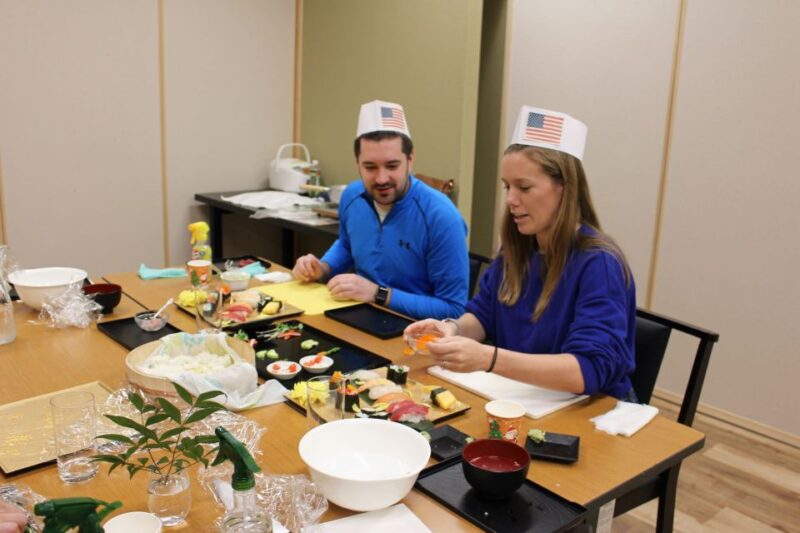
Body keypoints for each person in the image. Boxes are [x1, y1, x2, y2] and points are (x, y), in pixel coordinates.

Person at [404, 105, 636, 399]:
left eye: (524, 188)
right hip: (528, 397)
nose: (511, 200)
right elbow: (484, 316)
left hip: (591, 412)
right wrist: (451, 329)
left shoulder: (599, 264)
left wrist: (490, 359)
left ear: (564, 188)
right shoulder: (518, 249)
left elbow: (588, 370)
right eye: (507, 187)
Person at [292, 100, 469, 320]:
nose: (381, 178)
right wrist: (322, 268)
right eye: (370, 167)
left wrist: (378, 294)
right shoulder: (352, 197)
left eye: (392, 166)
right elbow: (348, 245)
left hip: (417, 333)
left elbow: (453, 309)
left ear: (410, 159)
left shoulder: (441, 217)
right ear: (357, 163)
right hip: (361, 317)